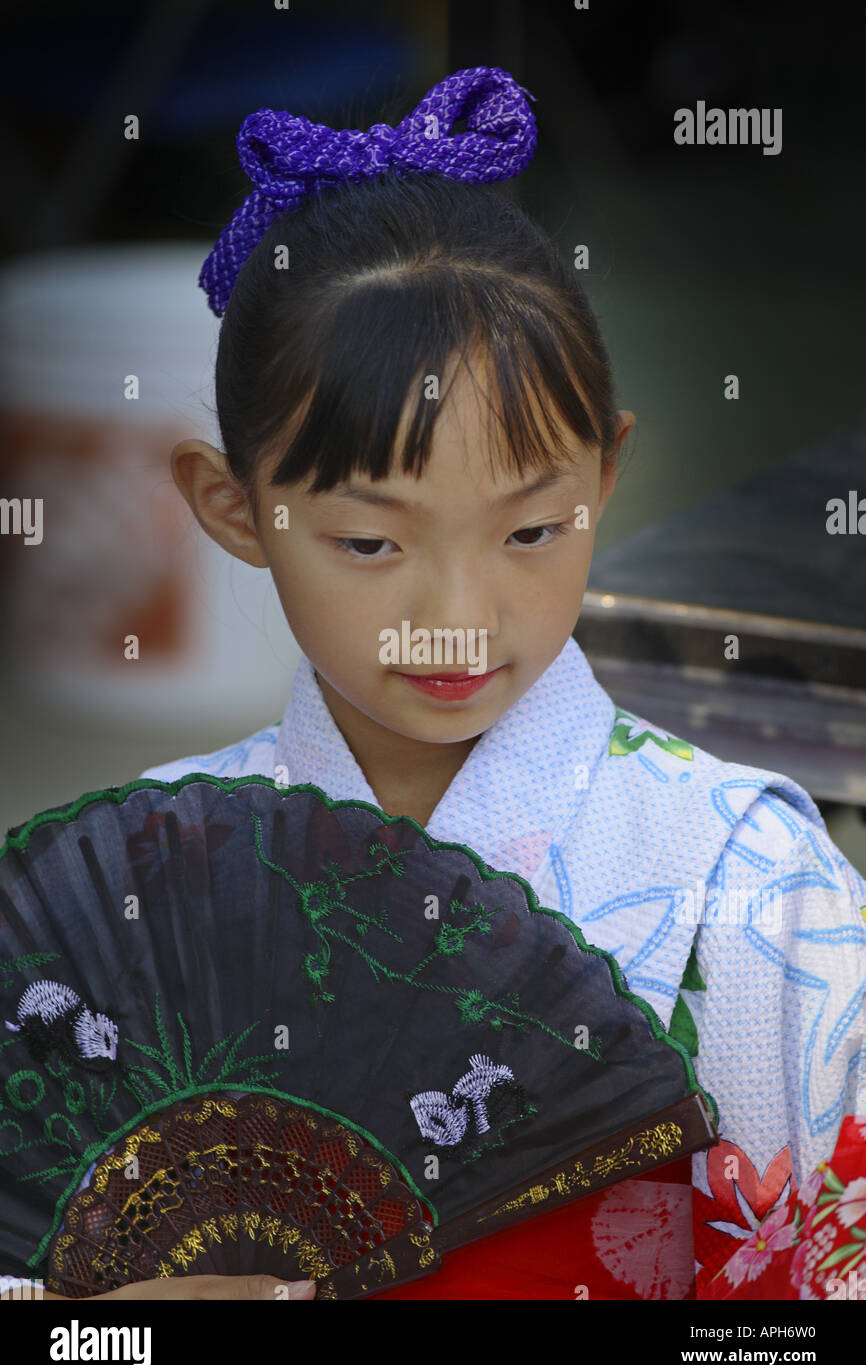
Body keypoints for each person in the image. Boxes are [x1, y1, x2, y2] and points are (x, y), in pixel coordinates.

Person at [4, 66, 864, 1302]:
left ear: (605, 476)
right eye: (369, 543)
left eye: (529, 533)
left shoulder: (754, 893)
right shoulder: (137, 896)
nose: (455, 621)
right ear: (233, 507)